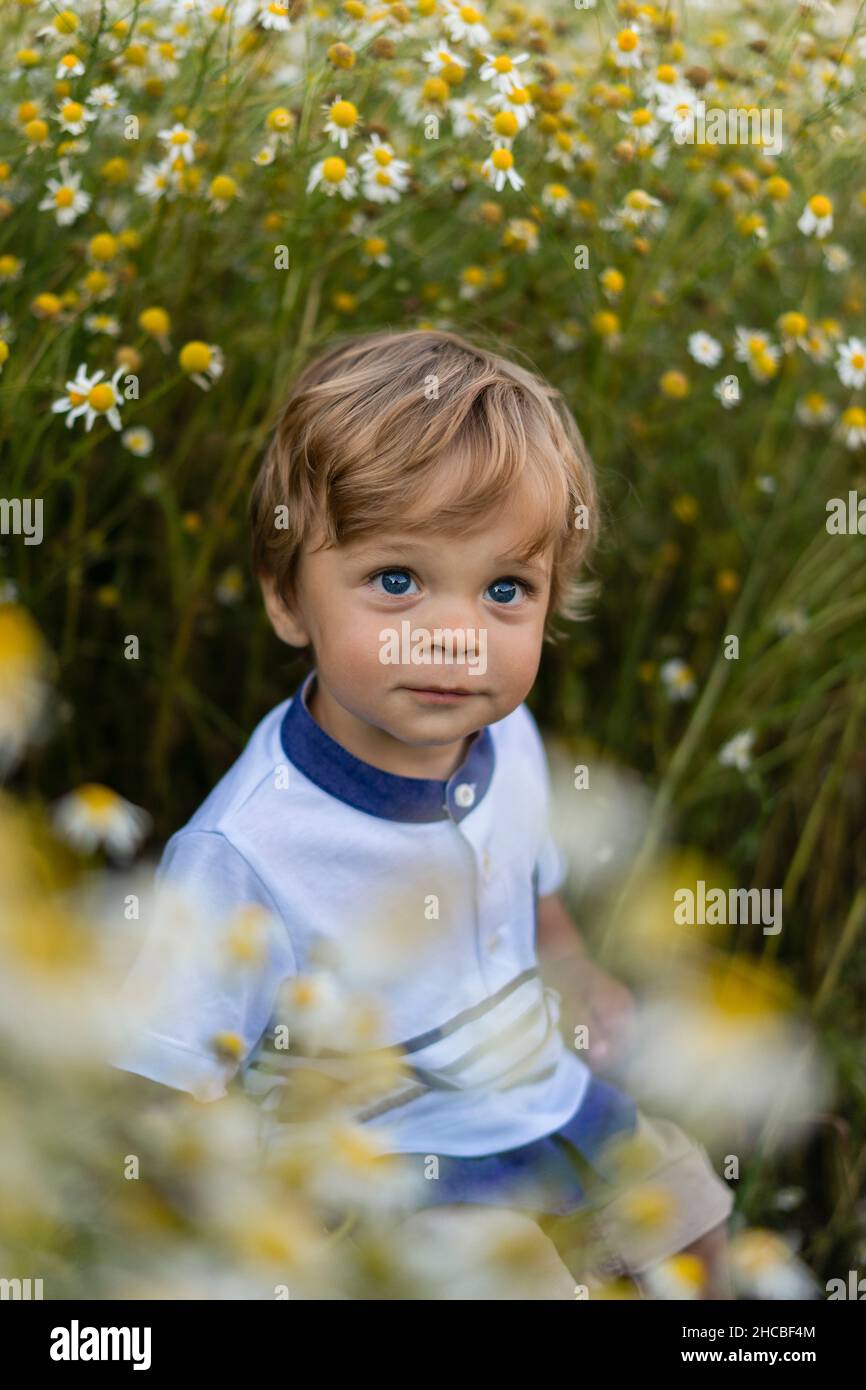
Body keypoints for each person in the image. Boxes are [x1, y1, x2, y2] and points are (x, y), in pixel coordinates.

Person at [110, 327, 734, 1298]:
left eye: (503, 589)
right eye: (396, 581)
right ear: (286, 597)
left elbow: (530, 884)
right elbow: (161, 1079)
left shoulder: (509, 743)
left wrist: (567, 965)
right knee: (520, 1277)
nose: (453, 637)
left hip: (531, 1098)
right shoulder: (250, 847)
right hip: (376, 1165)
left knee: (692, 1213)